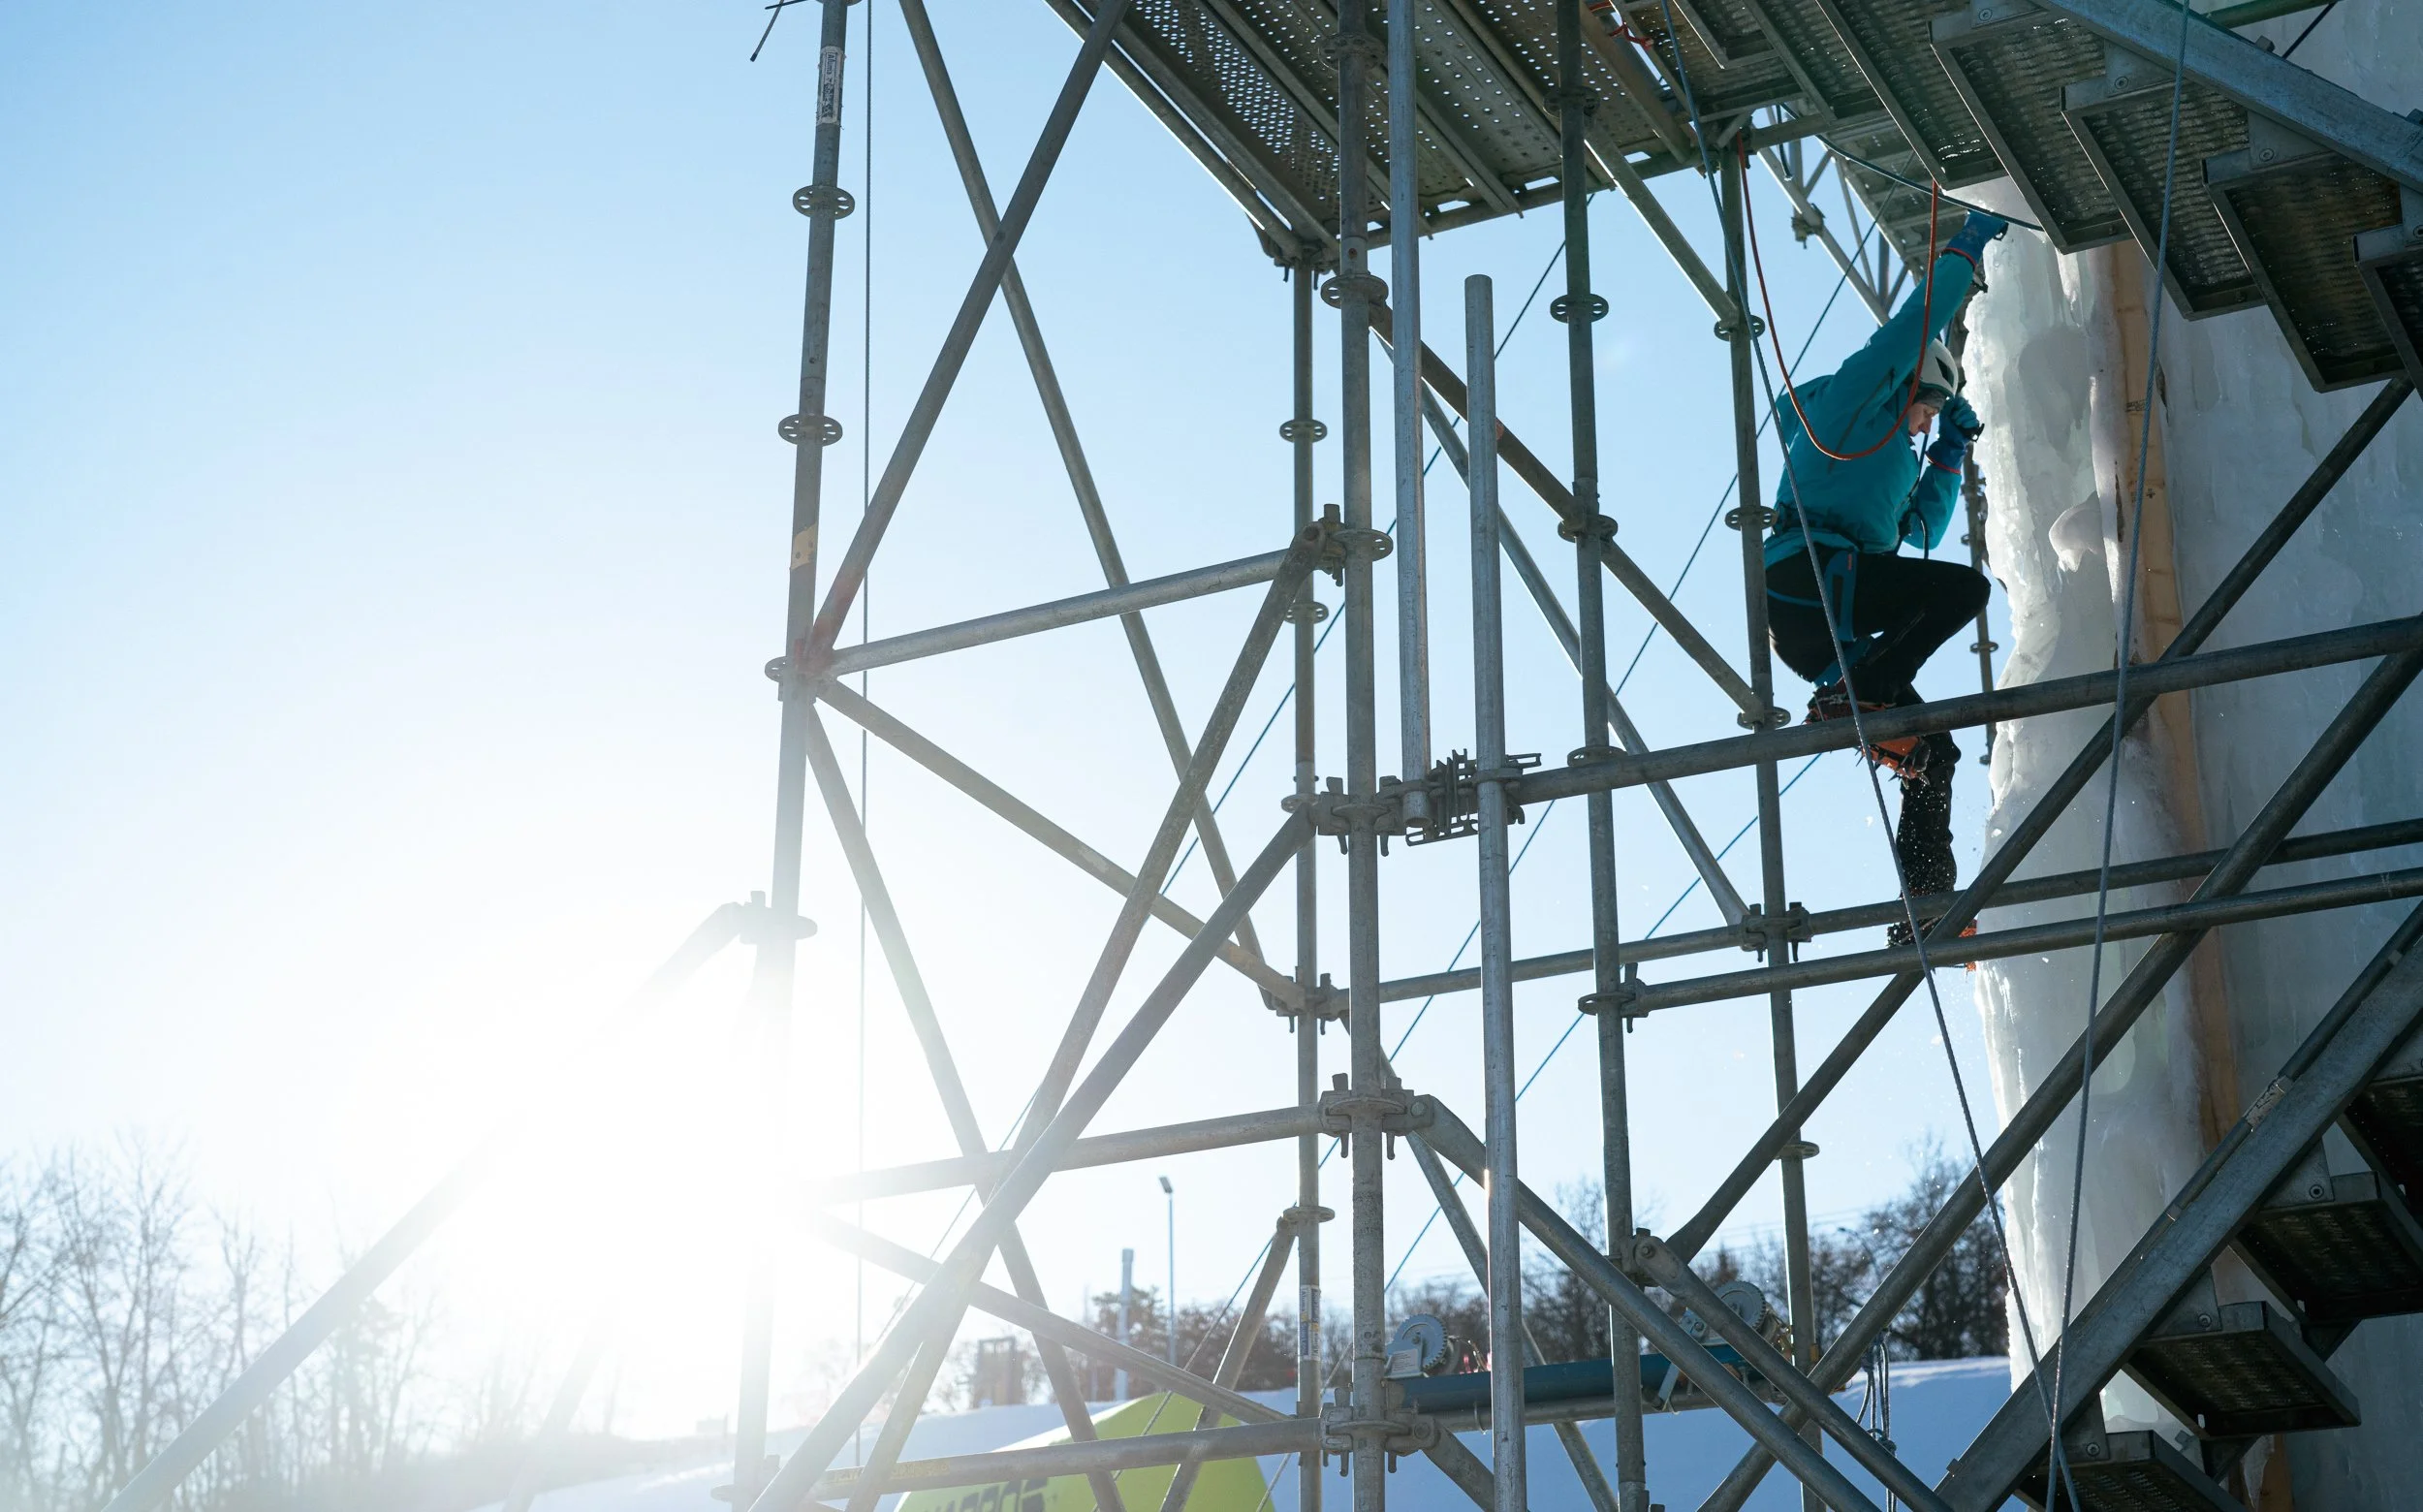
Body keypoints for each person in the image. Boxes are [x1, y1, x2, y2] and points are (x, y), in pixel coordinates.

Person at [1763, 208, 2008, 933]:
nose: (1926, 422)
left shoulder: (1889, 463)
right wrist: (1964, 251)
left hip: (1825, 615)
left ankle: (1927, 905)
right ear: (1908, 385)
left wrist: (1948, 457)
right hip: (1810, 579)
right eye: (1929, 408)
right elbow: (1911, 328)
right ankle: (1861, 695)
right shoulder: (1845, 414)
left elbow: (1920, 530)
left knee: (1934, 750)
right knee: (1963, 590)